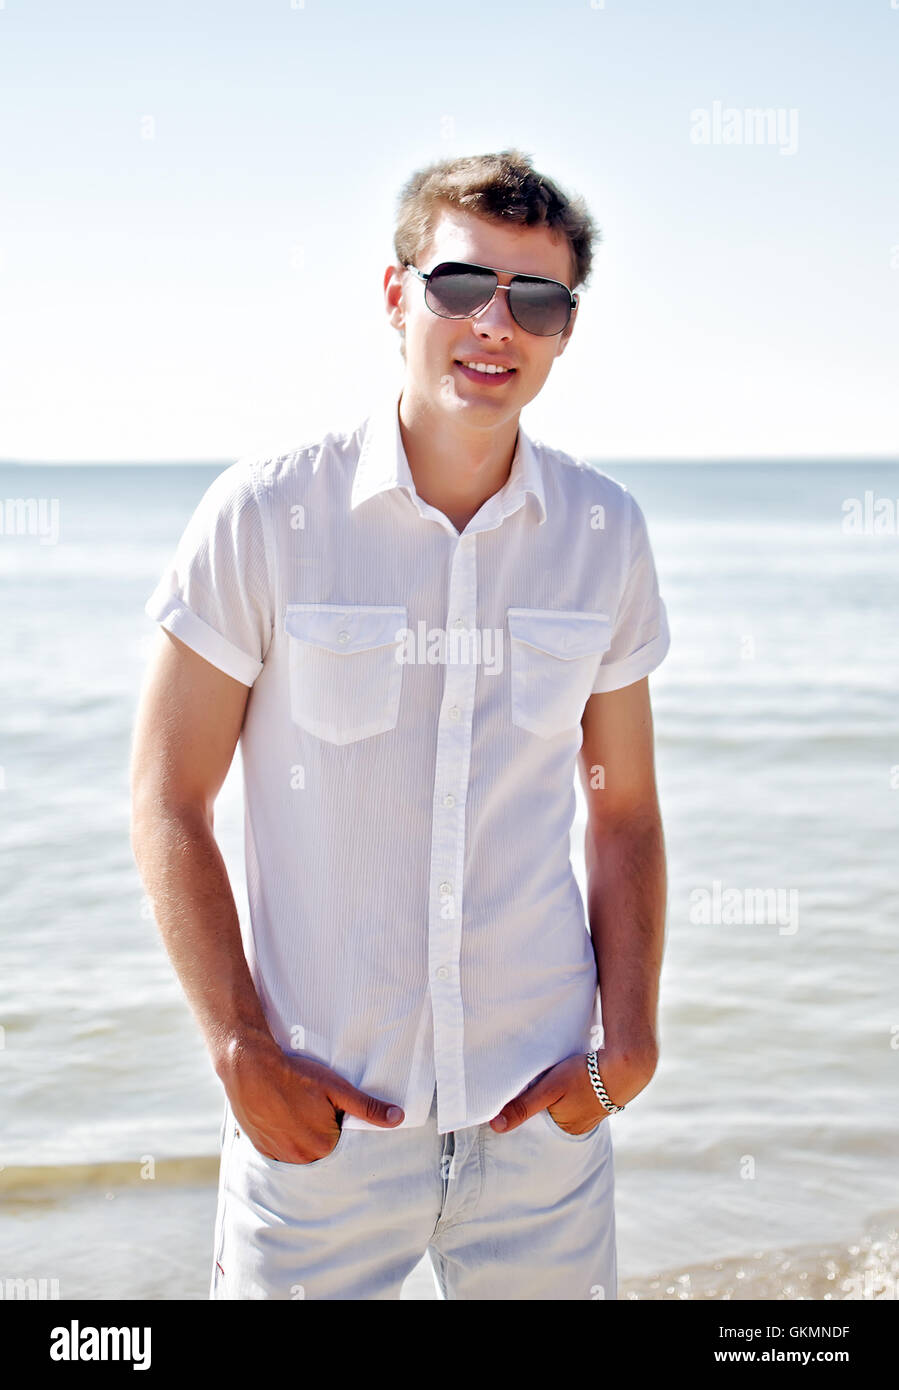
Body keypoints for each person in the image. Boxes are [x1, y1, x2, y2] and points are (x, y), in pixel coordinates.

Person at [130, 148, 671, 1301]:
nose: (494, 325)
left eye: (535, 300)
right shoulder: (266, 515)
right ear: (396, 297)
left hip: (541, 1124)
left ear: (564, 330)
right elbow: (168, 800)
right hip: (318, 1126)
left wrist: (625, 1044)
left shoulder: (603, 532)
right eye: (462, 287)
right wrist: (238, 1051)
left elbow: (619, 809)